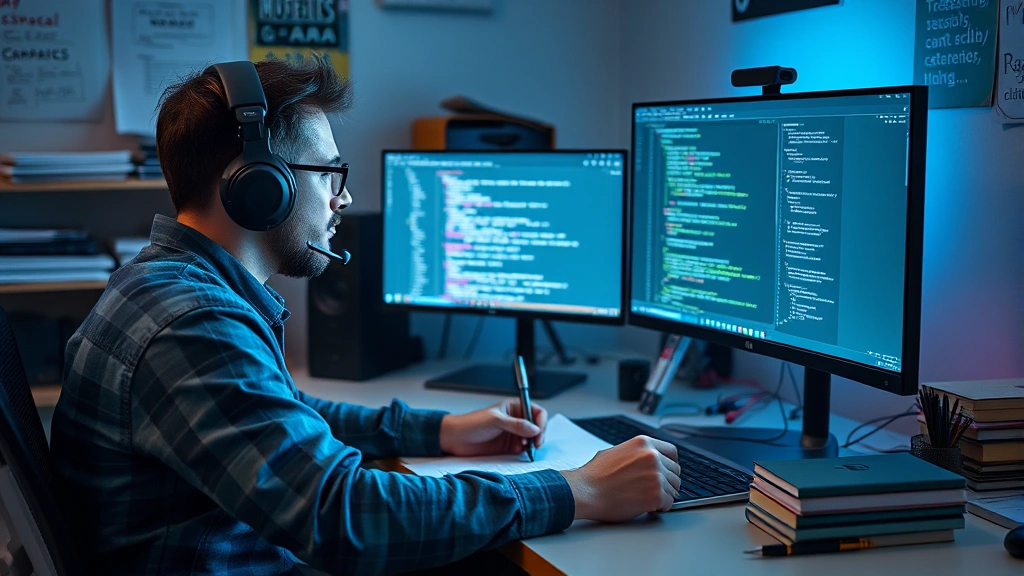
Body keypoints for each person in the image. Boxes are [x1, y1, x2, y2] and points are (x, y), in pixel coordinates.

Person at [50, 56, 683, 576]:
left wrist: (437, 432)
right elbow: (342, 518)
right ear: (256, 184)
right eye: (329, 173)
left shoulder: (170, 287)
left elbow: (278, 415)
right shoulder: (190, 323)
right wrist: (579, 491)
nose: (343, 197)